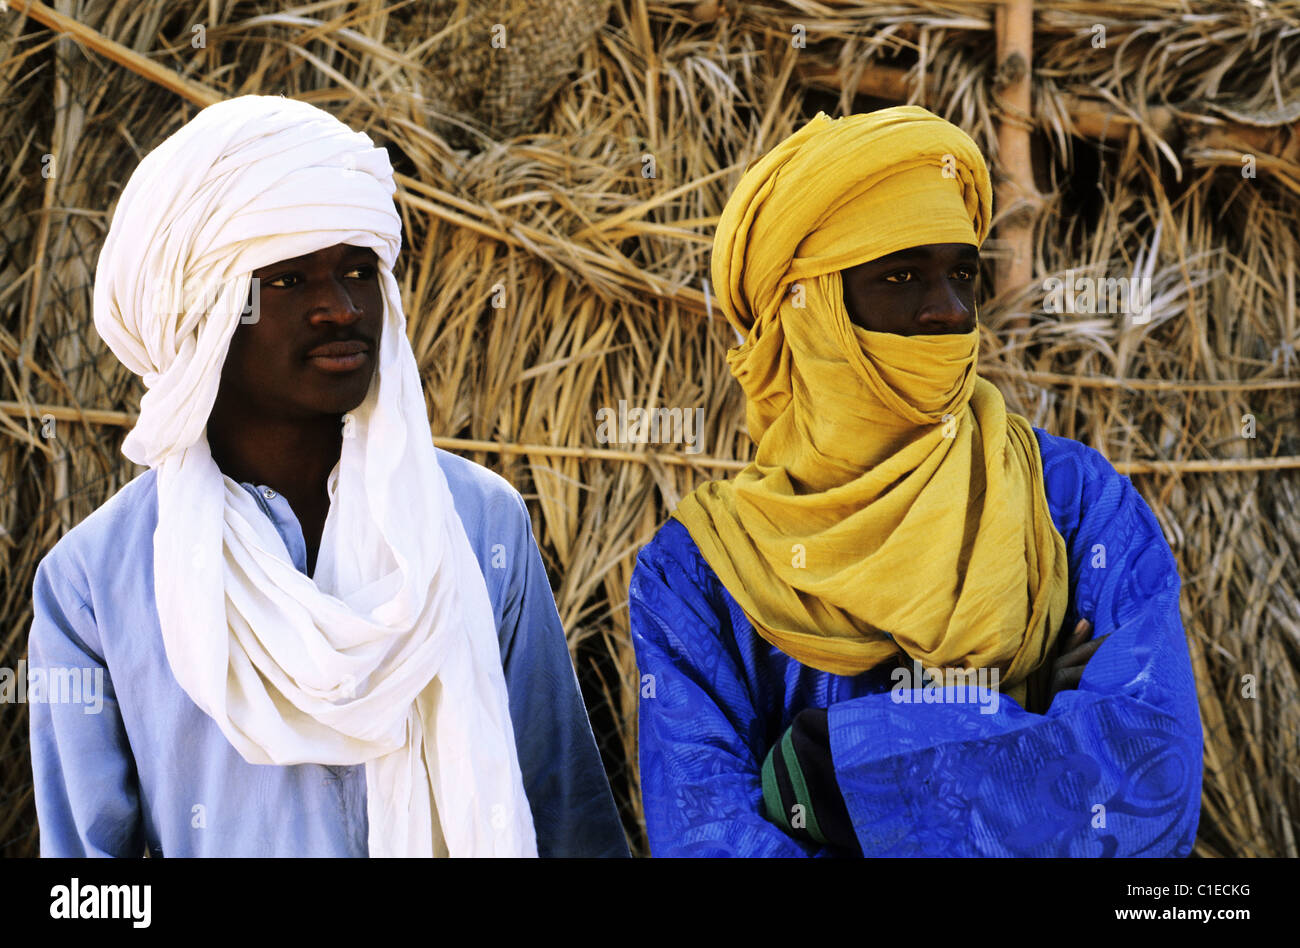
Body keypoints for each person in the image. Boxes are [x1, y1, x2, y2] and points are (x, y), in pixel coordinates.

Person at [27, 95, 628, 858]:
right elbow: (86, 880)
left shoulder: (479, 523)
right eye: (287, 282)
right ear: (200, 315)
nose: (341, 308)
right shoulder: (95, 581)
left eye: (357, 270)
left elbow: (566, 818)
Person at [629, 106, 1202, 857]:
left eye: (962, 273)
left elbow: (1149, 782)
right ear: (806, 312)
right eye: (901, 277)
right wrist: (1019, 715)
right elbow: (705, 835)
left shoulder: (1073, 503)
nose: (951, 311)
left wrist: (819, 770)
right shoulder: (699, 574)